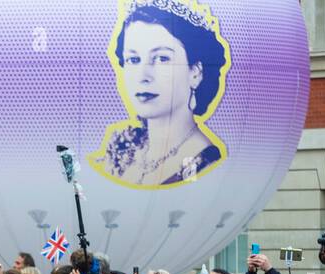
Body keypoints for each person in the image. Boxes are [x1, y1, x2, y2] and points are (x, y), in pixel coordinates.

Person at [89, 0, 229, 187]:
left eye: (162, 58)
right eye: (133, 59)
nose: (143, 76)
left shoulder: (204, 161)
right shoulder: (124, 146)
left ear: (195, 72)